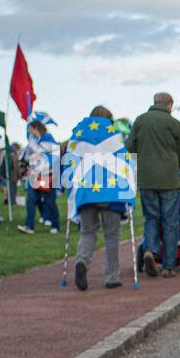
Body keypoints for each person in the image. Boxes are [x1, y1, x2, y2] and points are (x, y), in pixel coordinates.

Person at [68, 105, 130, 290]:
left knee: (88, 232)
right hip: (110, 191)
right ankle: (112, 277)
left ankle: (82, 261)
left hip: (86, 190)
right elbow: (125, 161)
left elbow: (69, 163)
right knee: (112, 236)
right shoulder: (114, 135)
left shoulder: (78, 134)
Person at [127, 92, 180, 278]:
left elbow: (130, 146)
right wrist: (174, 167)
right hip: (169, 179)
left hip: (147, 179)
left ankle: (150, 250)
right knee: (170, 222)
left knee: (151, 218)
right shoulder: (174, 123)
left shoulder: (140, 120)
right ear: (169, 104)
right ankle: (169, 266)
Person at [19, 120, 60, 234]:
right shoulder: (34, 140)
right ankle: (29, 226)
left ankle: (55, 225)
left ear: (35, 128)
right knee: (31, 200)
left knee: (49, 201)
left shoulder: (47, 138)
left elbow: (53, 154)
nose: (28, 131)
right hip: (35, 174)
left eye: (30, 128)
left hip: (47, 174)